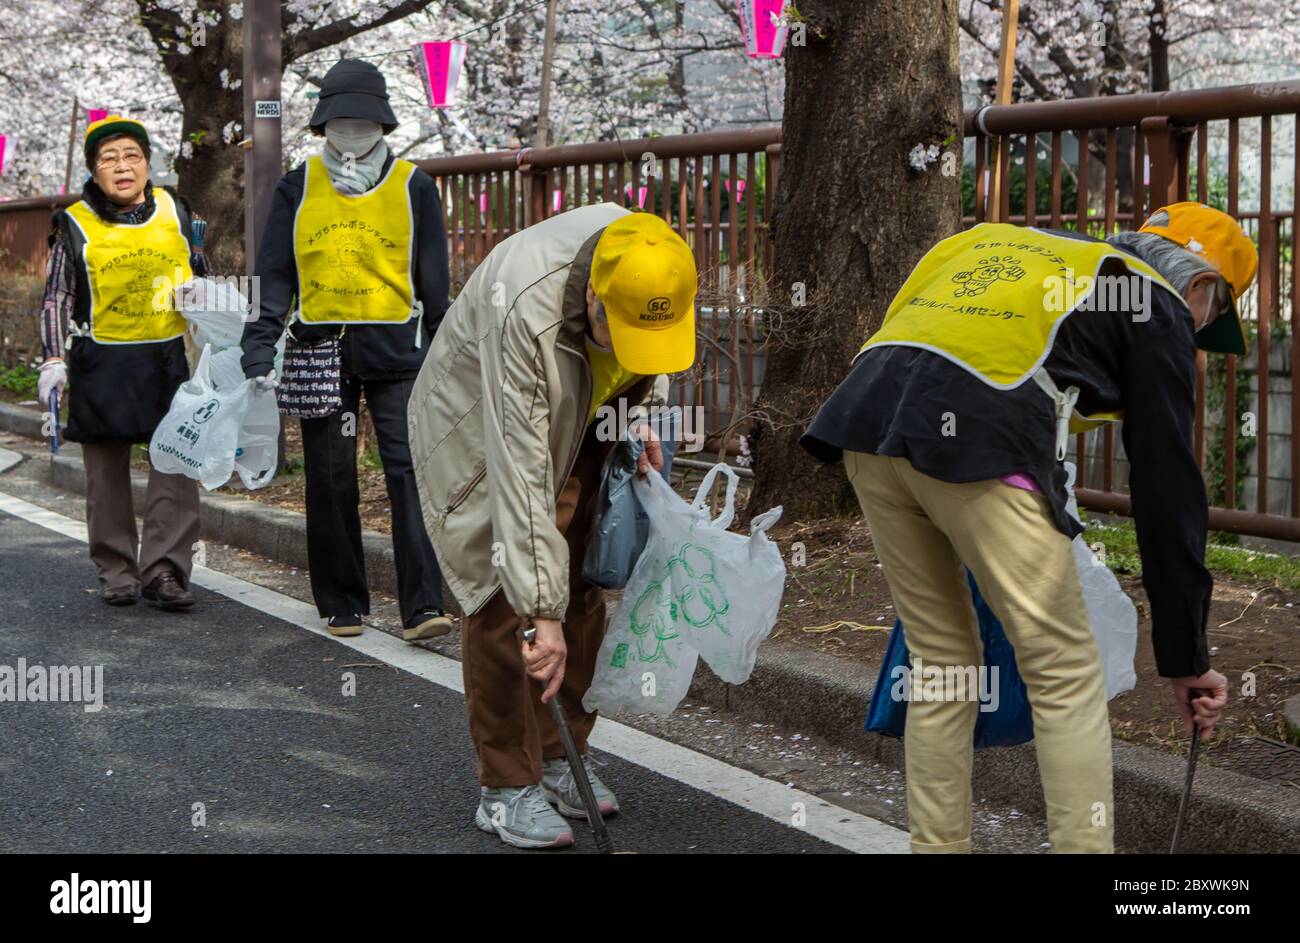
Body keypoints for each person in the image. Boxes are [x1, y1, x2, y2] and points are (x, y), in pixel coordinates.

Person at [802, 203, 1256, 854]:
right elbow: (1166, 484)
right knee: (1066, 673)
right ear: (1203, 286)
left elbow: (915, 339)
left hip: (868, 427)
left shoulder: (1012, 249)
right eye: (1212, 319)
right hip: (980, 446)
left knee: (942, 662)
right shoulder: (1157, 305)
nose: (1201, 334)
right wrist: (1187, 659)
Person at [408, 206, 694, 849]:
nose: (629, 347)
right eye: (615, 328)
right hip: (482, 426)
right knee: (505, 594)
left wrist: (641, 417)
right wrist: (541, 611)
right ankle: (506, 786)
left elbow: (652, 358)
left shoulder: (655, 264)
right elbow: (520, 475)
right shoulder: (526, 310)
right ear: (593, 293)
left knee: (584, 579)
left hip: (586, 408)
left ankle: (562, 757)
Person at [240, 59, 452, 642]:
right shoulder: (297, 185)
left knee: (410, 472)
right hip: (318, 348)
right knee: (331, 475)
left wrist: (452, 351)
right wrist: (258, 347)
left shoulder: (414, 186)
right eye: (343, 120)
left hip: (397, 349)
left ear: (382, 124)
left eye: (364, 121)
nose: (353, 131)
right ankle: (341, 600)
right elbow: (274, 273)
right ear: (324, 125)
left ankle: (423, 604)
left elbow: (435, 279)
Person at [37, 115, 209, 610]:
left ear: (147, 162)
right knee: (105, 472)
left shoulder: (177, 210)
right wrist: (53, 356)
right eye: (109, 159)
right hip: (103, 356)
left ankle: (166, 571)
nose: (122, 166)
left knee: (177, 461)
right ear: (94, 170)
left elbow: (202, 268)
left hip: (171, 355)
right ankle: (116, 571)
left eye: (132, 155)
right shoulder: (74, 221)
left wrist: (211, 308)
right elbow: (57, 297)